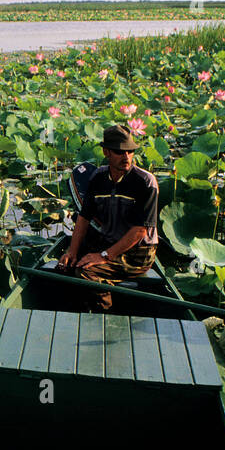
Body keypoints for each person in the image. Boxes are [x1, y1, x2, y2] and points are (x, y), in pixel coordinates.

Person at [57, 123, 159, 311]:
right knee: (65, 266)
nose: (126, 157)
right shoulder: (98, 177)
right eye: (120, 152)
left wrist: (104, 256)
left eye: (130, 151)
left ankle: (105, 315)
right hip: (109, 243)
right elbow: (83, 218)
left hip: (138, 254)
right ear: (106, 152)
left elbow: (139, 231)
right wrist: (72, 251)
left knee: (86, 272)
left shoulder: (145, 182)